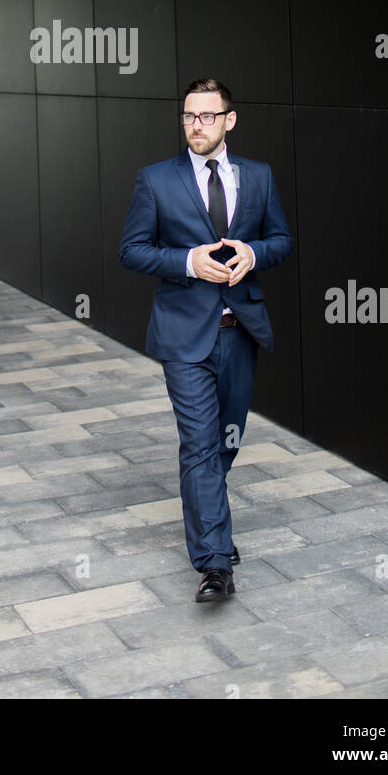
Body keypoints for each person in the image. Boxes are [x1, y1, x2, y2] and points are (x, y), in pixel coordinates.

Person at [119, 77, 294, 603]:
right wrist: (188, 262)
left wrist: (254, 255)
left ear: (229, 120)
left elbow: (283, 239)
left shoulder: (258, 178)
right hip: (183, 336)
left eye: (207, 117)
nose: (196, 125)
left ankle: (207, 520)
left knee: (225, 440)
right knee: (198, 444)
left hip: (238, 331)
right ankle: (215, 562)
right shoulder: (155, 180)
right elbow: (132, 250)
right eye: (189, 116)